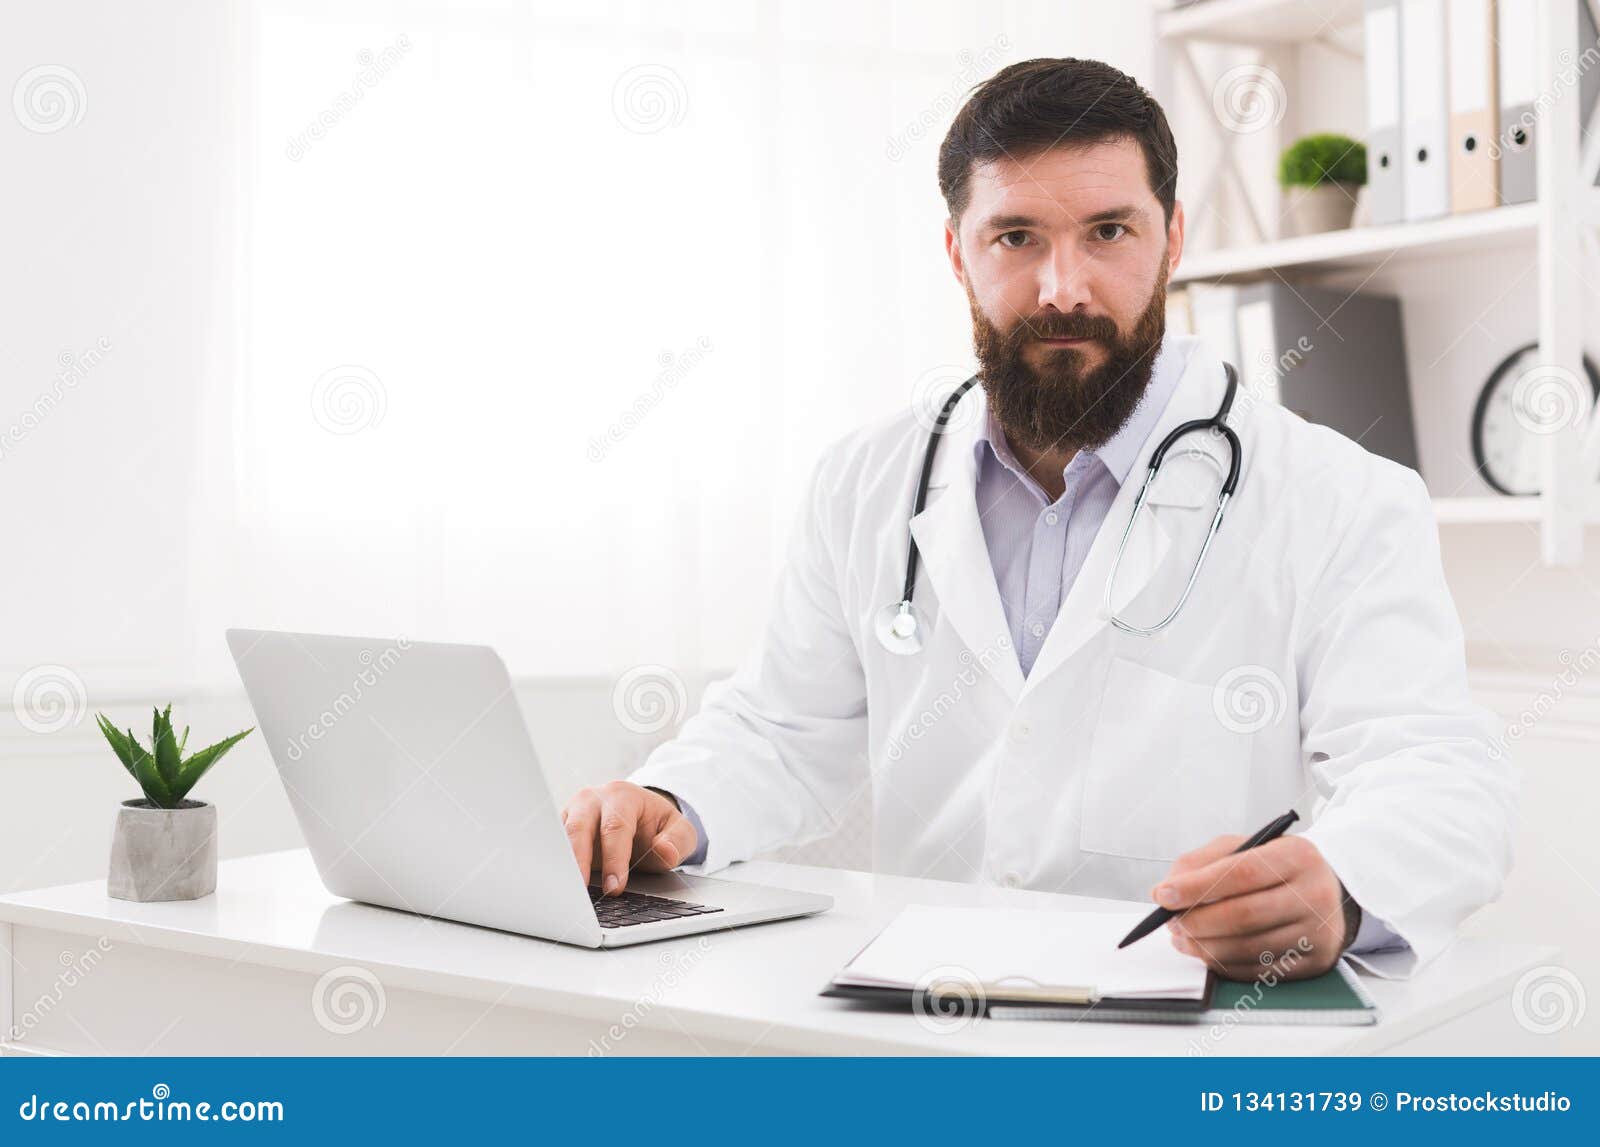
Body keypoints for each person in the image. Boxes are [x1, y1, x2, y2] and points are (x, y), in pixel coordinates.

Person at [562, 57, 1516, 981]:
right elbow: (779, 729)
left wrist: (1344, 885)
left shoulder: (1338, 497)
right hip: (916, 1015)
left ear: (1174, 238)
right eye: (1016, 237)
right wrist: (666, 802)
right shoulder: (864, 482)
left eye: (1110, 231)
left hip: (1178, 1029)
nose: (1065, 286)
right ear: (957, 252)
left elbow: (1435, 771)